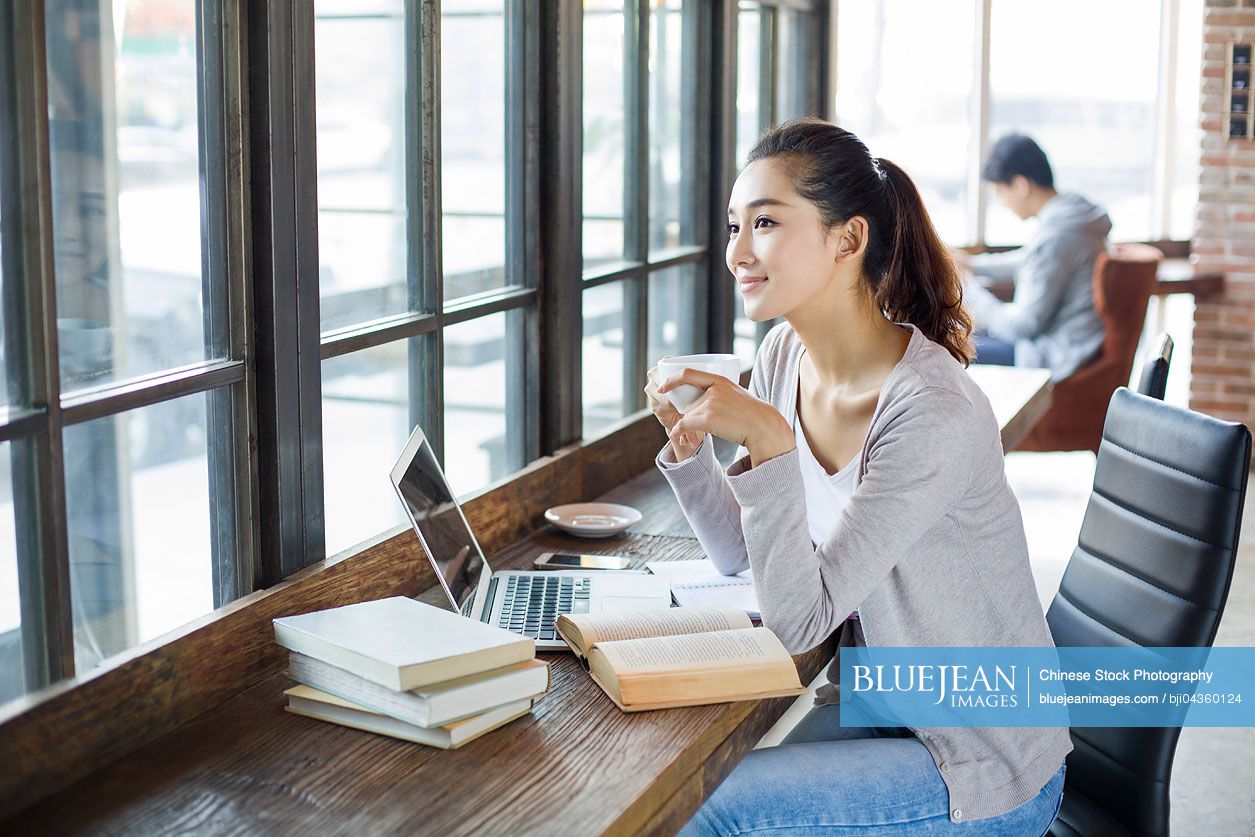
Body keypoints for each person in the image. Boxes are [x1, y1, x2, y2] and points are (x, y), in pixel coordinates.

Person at [643, 118, 1070, 834]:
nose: (737, 252)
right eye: (732, 226)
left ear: (848, 238)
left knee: (706, 813)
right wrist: (689, 448)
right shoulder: (783, 355)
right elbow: (740, 557)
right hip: (883, 715)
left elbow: (799, 622)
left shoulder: (931, 411)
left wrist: (769, 441)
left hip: (976, 759)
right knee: (676, 785)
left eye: (766, 223)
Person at [959, 133, 1111, 380]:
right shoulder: (1074, 218)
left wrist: (968, 288)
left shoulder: (1057, 236)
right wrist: (973, 266)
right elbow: (1029, 259)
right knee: (960, 336)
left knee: (950, 348)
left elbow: (1022, 327)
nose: (1002, 202)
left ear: (1020, 185)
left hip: (1054, 356)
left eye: (1000, 191)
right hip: (1073, 343)